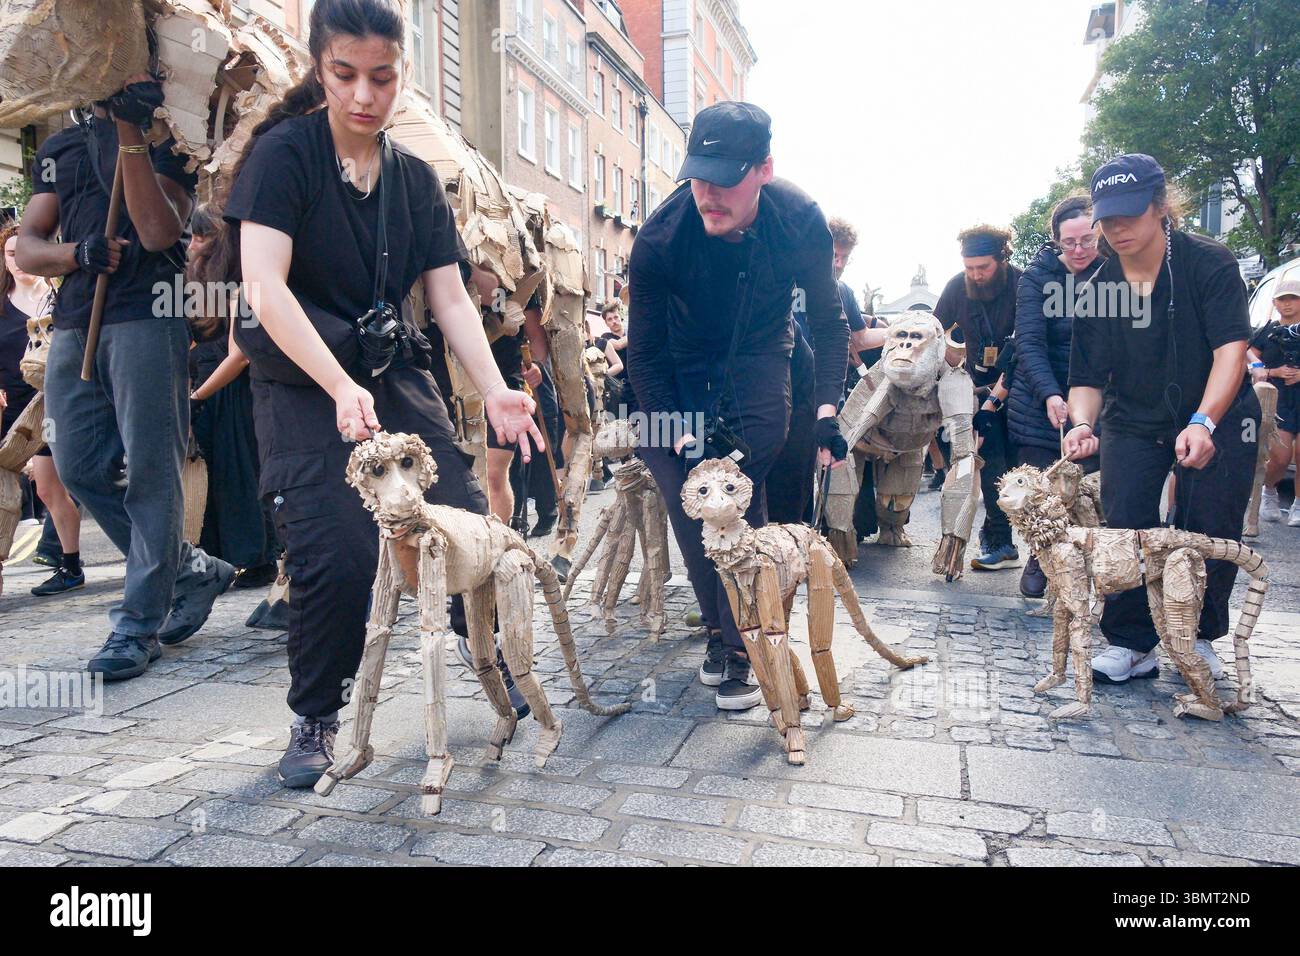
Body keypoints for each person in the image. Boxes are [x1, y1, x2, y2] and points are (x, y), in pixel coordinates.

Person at [222, 0, 542, 787]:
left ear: (401, 74)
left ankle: (491, 654)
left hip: (392, 368)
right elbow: (263, 287)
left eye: (383, 77)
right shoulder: (284, 157)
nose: (365, 94)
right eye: (345, 75)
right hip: (300, 378)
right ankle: (316, 716)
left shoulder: (414, 179)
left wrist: (498, 390)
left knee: (466, 518)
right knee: (337, 549)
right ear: (320, 70)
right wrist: (333, 382)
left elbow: (451, 297)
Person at [628, 101, 849, 711]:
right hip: (671, 368)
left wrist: (830, 411)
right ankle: (727, 635)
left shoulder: (801, 221)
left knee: (741, 485)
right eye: (698, 176)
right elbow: (641, 352)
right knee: (694, 496)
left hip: (761, 352)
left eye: (725, 179)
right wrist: (676, 431)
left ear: (764, 170)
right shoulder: (660, 239)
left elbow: (830, 327)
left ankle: (740, 640)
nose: (708, 194)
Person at [17, 75, 235, 676]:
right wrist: (75, 254)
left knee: (151, 474)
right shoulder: (59, 148)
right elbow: (30, 248)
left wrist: (130, 134)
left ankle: (138, 626)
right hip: (75, 322)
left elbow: (158, 231)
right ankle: (188, 567)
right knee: (78, 464)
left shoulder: (173, 138)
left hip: (148, 315)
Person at [1064, 153, 1259, 685]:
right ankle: (1131, 642)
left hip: (1216, 411)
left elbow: (1231, 351)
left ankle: (1198, 635)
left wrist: (1204, 421)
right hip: (1132, 418)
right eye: (1107, 218)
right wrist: (1081, 424)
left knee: (1209, 527)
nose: (1116, 228)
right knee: (1124, 524)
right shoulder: (1097, 285)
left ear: (1161, 208)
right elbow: (1086, 377)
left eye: (1129, 214)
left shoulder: (1209, 262)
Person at [1008, 195, 1105, 598]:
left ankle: (1089, 560)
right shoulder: (1037, 277)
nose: (1079, 250)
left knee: (1088, 488)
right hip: (1039, 396)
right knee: (1045, 489)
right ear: (1056, 241)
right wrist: (1050, 393)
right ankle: (1041, 556)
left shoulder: (1116, 273)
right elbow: (1029, 341)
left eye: (1088, 240)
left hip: (1100, 394)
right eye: (1070, 243)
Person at [185, 205, 278, 586]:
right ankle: (226, 560)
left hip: (230, 390)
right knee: (215, 480)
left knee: (238, 475)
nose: (191, 245)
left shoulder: (237, 283)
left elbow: (238, 356)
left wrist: (197, 396)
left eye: (200, 236)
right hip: (207, 388)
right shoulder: (194, 281)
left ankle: (256, 560)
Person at [933, 224, 1024, 571]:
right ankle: (1002, 543)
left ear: (1002, 258)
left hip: (1019, 386)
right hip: (978, 390)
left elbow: (1027, 347)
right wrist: (951, 365)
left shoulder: (1023, 284)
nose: (975, 274)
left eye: (982, 268)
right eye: (970, 267)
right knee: (991, 464)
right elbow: (932, 331)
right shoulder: (957, 286)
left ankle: (1000, 533)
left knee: (1018, 467)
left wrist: (997, 396)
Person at [2, 226, 83, 596]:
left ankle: (70, 564)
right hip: (7, 406)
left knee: (51, 490)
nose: (17, 260)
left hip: (49, 401)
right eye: (9, 253)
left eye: (22, 251)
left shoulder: (58, 298)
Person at [1250, 277, 1300, 525]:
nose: (1288, 304)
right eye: (1283, 299)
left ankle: (1297, 505)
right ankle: (1268, 491)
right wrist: (1273, 372)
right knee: (1280, 456)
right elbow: (1246, 359)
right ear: (1275, 303)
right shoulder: (1267, 332)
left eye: (1293, 298)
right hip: (1277, 398)